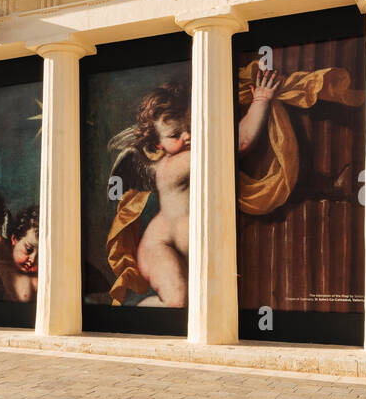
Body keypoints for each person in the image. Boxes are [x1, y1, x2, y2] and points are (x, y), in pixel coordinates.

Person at [107, 70, 285, 306]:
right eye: (175, 135)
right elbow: (240, 142)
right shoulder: (175, 165)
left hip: (188, 249)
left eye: (189, 126)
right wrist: (261, 101)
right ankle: (142, 312)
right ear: (157, 144)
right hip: (161, 247)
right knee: (178, 301)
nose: (188, 136)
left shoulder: (191, 152)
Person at [1, 206, 38, 303]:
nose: (33, 260)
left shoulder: (38, 280)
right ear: (15, 239)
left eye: (40, 256)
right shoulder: (0, 262)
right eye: (29, 250)